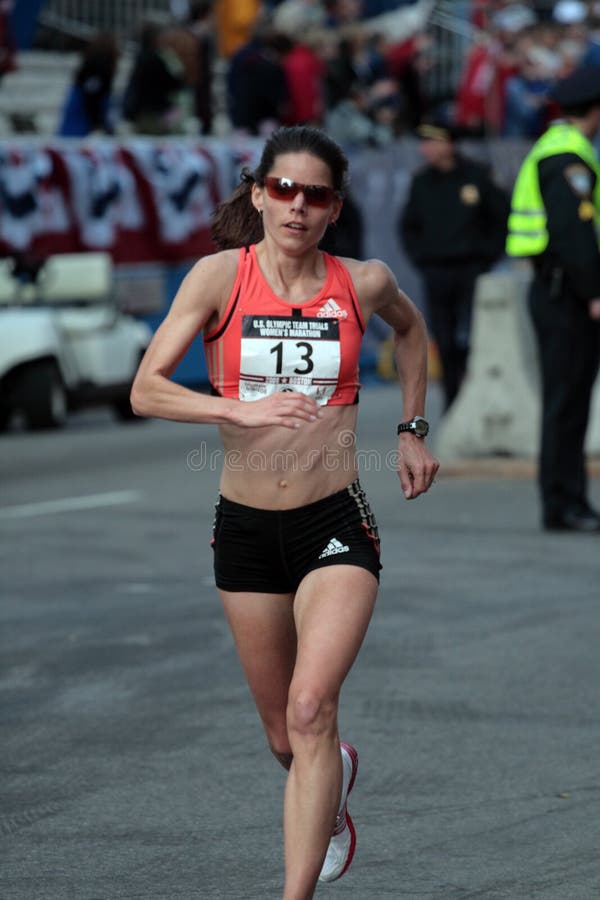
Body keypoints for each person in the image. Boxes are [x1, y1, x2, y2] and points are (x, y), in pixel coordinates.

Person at [130, 125, 439, 898]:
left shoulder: (360, 282)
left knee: (310, 708)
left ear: (335, 208)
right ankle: (330, 793)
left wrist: (410, 428)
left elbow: (412, 331)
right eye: (284, 190)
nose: (298, 207)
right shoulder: (218, 279)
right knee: (284, 738)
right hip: (243, 530)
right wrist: (236, 408)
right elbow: (146, 389)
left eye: (317, 195)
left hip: (331, 520)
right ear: (260, 193)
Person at [506, 67, 600, 532]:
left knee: (568, 401)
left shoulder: (556, 149)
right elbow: (574, 234)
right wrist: (595, 292)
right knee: (567, 402)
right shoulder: (568, 158)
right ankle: (565, 503)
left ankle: (566, 500)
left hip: (559, 289)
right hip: (567, 293)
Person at [399, 119, 510, 410]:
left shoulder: (478, 176)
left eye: (433, 141)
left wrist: (487, 255)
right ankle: (452, 404)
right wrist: (421, 258)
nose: (427, 149)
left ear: (449, 144)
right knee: (444, 340)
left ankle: (481, 403)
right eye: (425, 143)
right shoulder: (421, 181)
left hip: (472, 269)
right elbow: (409, 226)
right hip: (437, 270)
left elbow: (501, 218)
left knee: (474, 339)